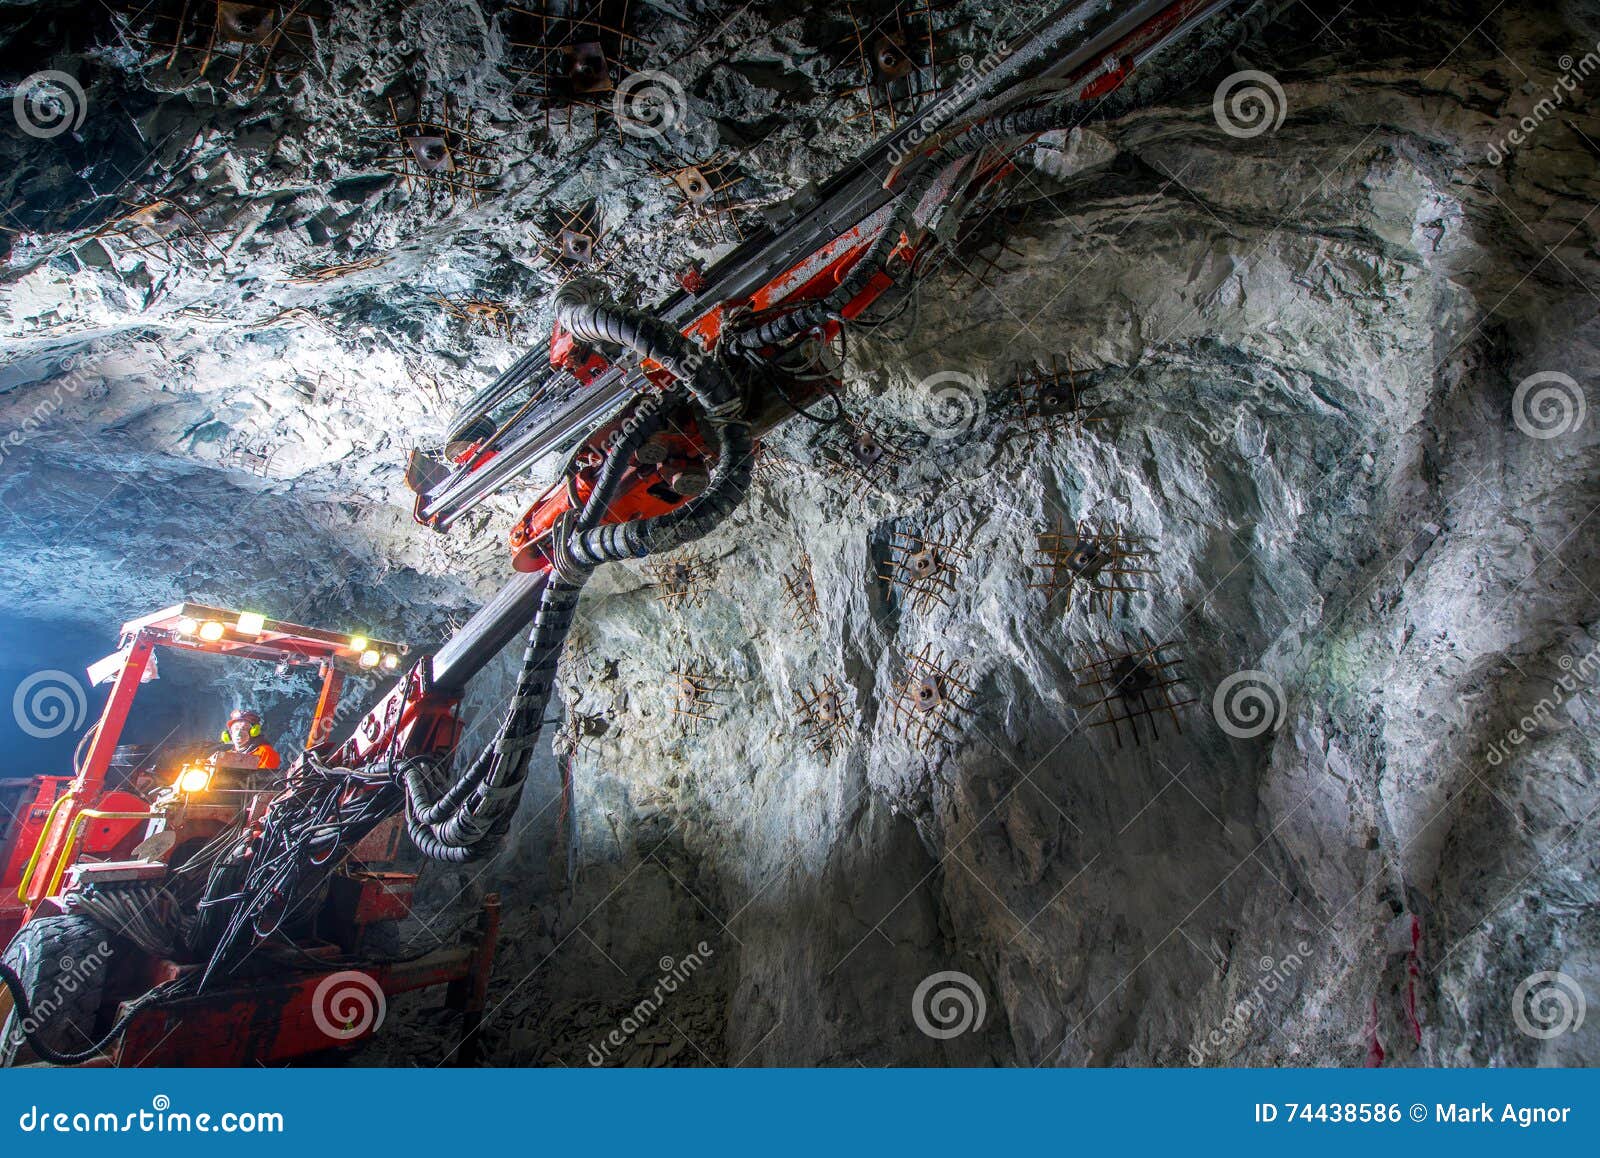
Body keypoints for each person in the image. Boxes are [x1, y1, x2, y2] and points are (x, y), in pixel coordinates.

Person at [210, 709, 282, 772]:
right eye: (236, 728)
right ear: (229, 734)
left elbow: (263, 781)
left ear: (253, 732)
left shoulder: (265, 752)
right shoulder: (226, 755)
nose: (239, 733)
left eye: (244, 728)